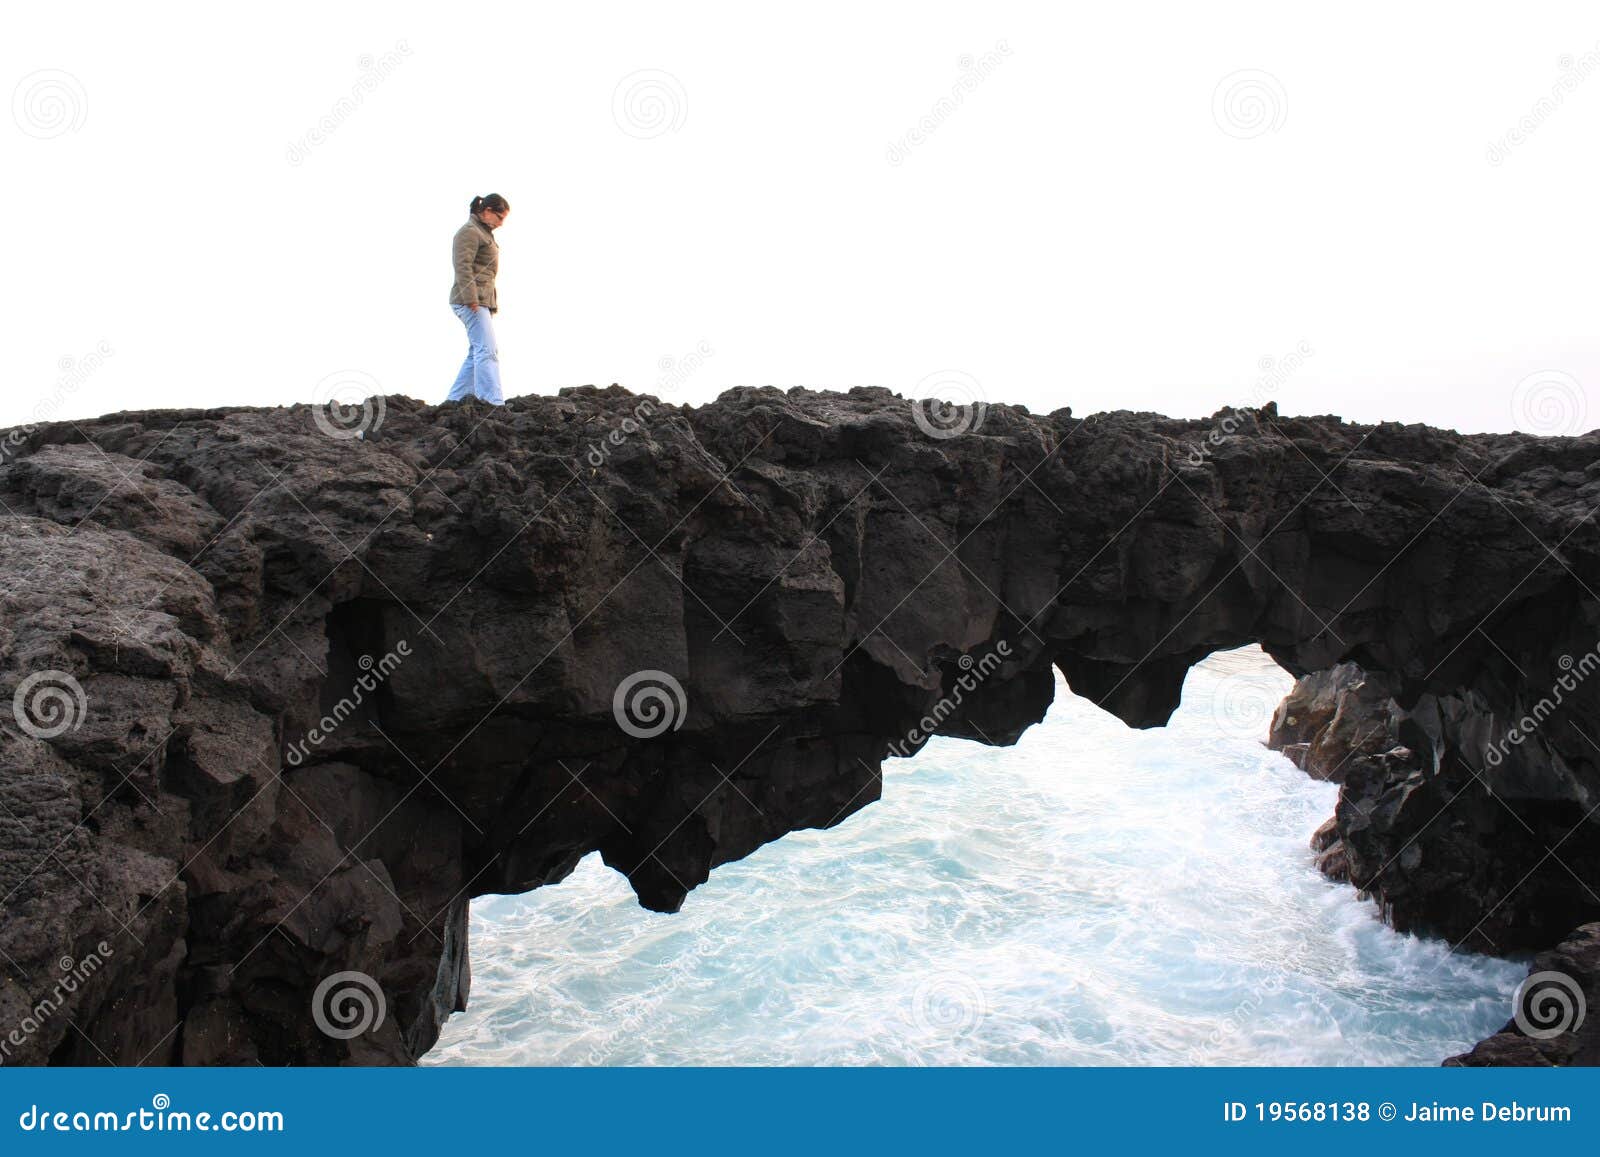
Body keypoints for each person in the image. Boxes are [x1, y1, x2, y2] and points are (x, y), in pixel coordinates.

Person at [446, 193, 510, 404]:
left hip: (480, 300)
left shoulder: (483, 232)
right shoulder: (470, 232)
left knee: (477, 351)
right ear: (488, 211)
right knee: (487, 350)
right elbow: (463, 266)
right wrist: (471, 299)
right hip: (470, 301)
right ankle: (491, 401)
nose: (501, 224)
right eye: (499, 218)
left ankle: (454, 401)